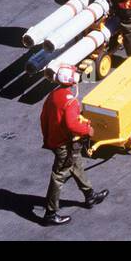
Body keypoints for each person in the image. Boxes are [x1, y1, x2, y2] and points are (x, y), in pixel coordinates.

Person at [40, 66, 108, 226]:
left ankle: (90, 195)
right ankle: (50, 213)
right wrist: (87, 130)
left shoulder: (53, 95)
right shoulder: (70, 101)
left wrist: (48, 138)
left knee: (76, 165)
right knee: (59, 175)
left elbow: (44, 117)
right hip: (65, 143)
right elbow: (72, 124)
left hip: (55, 140)